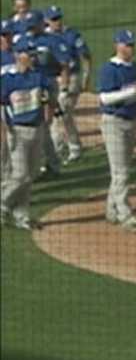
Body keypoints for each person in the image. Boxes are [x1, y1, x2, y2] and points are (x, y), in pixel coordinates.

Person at [97, 29, 136, 233]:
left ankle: (111, 209)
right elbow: (104, 98)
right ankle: (125, 214)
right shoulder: (109, 69)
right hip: (113, 122)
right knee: (121, 172)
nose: (130, 48)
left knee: (121, 170)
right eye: (126, 44)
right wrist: (132, 91)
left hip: (131, 122)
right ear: (116, 45)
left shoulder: (135, 68)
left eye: (132, 44)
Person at [0, 33, 57, 230]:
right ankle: (3, 203)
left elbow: (50, 96)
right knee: (20, 175)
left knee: (30, 175)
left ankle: (22, 216)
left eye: (33, 54)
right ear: (18, 55)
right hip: (17, 131)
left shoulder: (38, 76)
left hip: (38, 129)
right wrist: (3, 129)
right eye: (28, 54)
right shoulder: (7, 80)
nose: (32, 58)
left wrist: (48, 116)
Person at [23, 9, 66, 179]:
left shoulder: (52, 41)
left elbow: (64, 64)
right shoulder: (23, 41)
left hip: (48, 87)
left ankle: (49, 165)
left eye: (33, 26)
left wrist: (64, 88)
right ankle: (48, 165)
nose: (31, 29)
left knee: (42, 127)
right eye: (28, 26)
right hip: (29, 89)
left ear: (42, 24)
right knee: (38, 129)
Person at [43, 6, 88, 164]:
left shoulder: (72, 34)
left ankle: (74, 148)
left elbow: (86, 56)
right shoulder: (43, 37)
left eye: (58, 18)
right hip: (52, 79)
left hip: (73, 77)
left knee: (64, 112)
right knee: (53, 116)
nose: (57, 21)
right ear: (46, 21)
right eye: (53, 19)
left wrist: (86, 78)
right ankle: (57, 147)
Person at [0, 20, 16, 184]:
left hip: (17, 106)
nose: (5, 38)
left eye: (7, 34)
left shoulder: (18, 54)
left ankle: (14, 176)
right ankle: (5, 178)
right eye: (2, 35)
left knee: (16, 142)